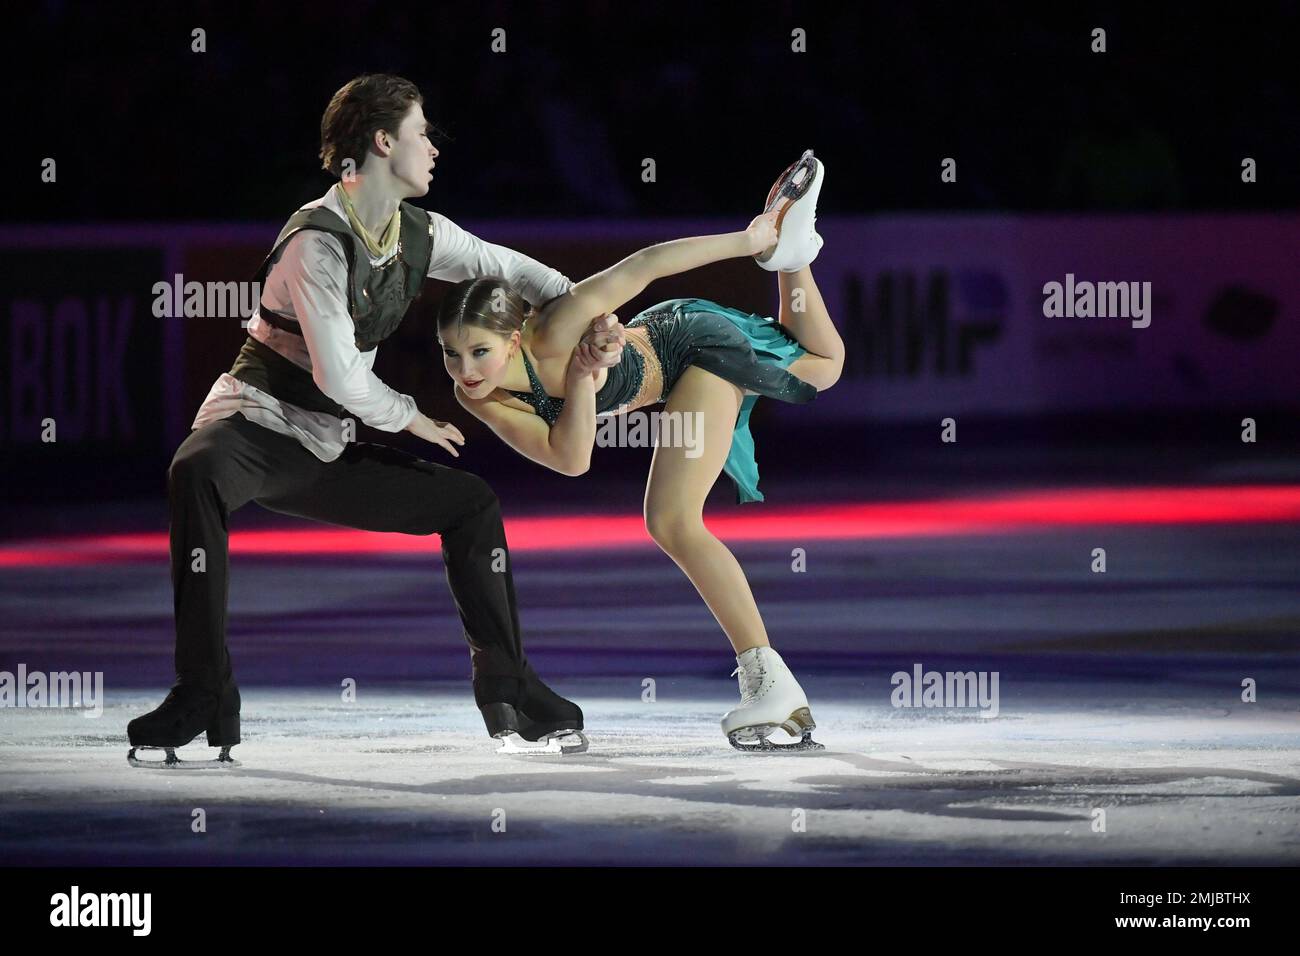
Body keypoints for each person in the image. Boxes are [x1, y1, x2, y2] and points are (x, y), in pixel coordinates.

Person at [127, 74, 612, 766]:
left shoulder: (419, 234)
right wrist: (411, 416)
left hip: (324, 447)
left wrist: (587, 316)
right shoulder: (315, 244)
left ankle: (510, 685)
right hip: (256, 427)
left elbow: (507, 269)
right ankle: (204, 690)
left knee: (470, 504)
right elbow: (338, 373)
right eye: (422, 133)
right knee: (196, 467)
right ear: (384, 143)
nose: (434, 148)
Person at [438, 151, 844, 751]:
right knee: (820, 366)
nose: (467, 369)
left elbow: (647, 264)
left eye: (479, 352)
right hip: (670, 371)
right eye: (452, 352)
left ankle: (770, 684)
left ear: (514, 337)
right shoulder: (477, 395)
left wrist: (745, 238)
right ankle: (792, 256)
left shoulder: (556, 327)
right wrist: (581, 381)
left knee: (676, 518)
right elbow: (571, 458)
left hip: (688, 346)